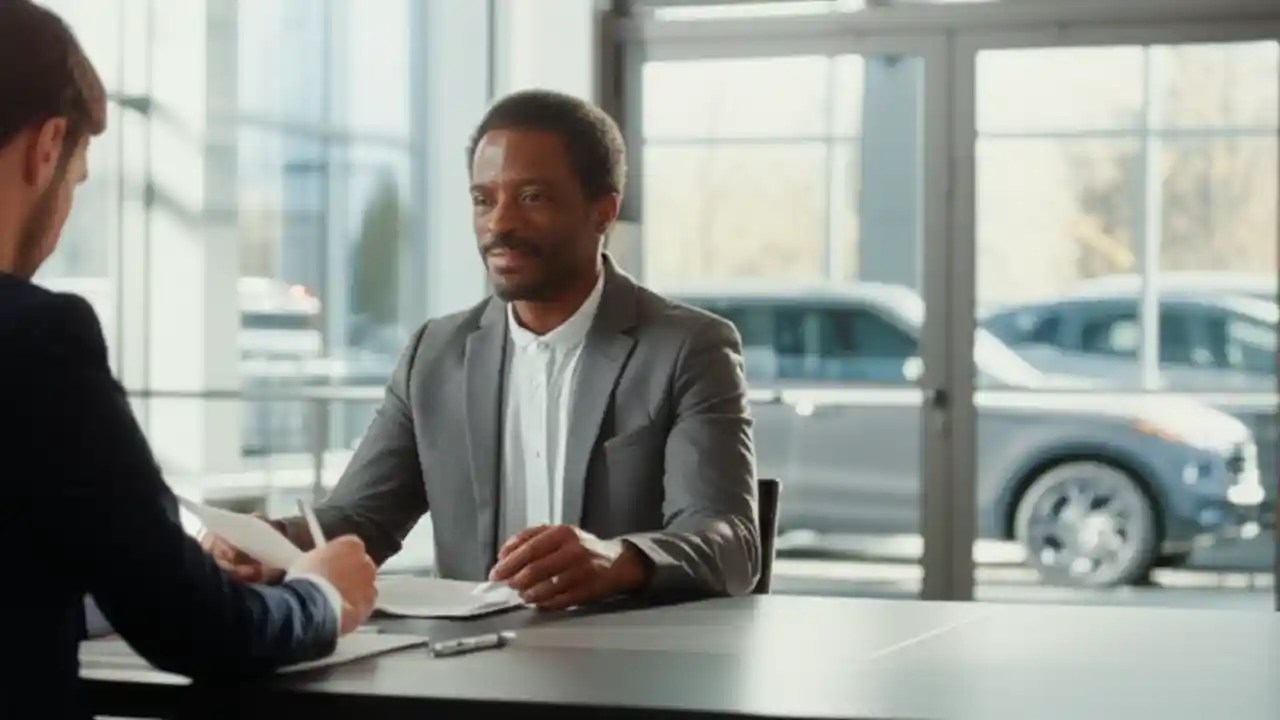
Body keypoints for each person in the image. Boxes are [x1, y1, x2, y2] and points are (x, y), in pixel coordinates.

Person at [207, 89, 762, 610]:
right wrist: (274, 544)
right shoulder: (436, 353)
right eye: (483, 199)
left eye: (532, 197)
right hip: (471, 662)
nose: (500, 222)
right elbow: (362, 519)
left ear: (603, 212)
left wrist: (619, 559)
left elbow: (729, 541)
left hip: (631, 669)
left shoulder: (688, 347)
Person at [0, 3, 378, 717]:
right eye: (78, 182)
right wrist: (324, 597)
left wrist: (159, 567)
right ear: (46, 148)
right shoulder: (38, 338)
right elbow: (196, 632)